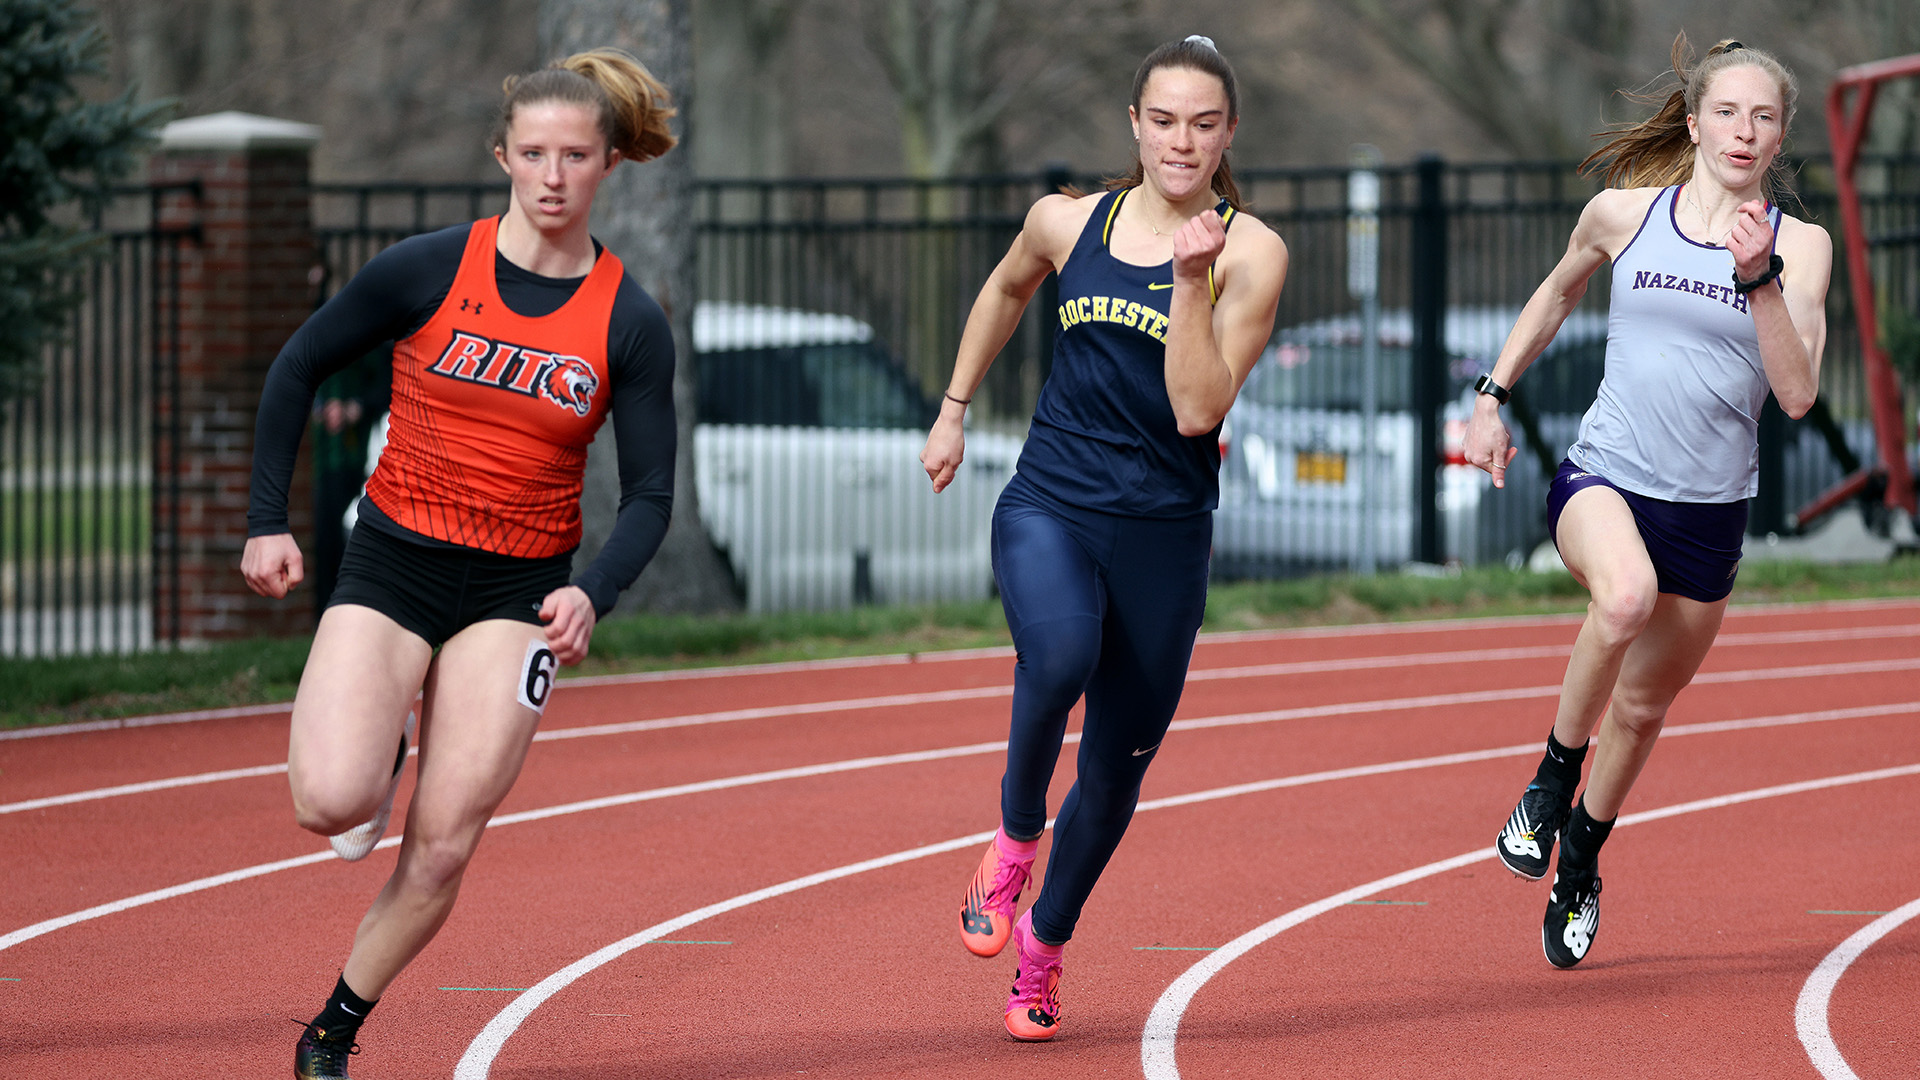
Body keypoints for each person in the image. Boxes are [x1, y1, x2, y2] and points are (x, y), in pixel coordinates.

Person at [241, 48, 679, 1079]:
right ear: (503, 157)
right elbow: (300, 365)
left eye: (576, 155)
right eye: (534, 153)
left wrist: (593, 592)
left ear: (609, 163)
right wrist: (267, 520)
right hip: (395, 561)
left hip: (516, 593)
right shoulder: (431, 267)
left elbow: (655, 492)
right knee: (329, 804)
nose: (554, 174)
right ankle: (380, 749)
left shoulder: (628, 318)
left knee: (444, 844)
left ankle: (334, 1029)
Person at [921, 35, 1287, 1040]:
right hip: (1053, 500)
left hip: (1165, 534)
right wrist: (954, 406)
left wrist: (1189, 284)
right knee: (1058, 655)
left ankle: (1044, 948)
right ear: (1134, 124)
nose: (1182, 141)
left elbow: (1197, 411)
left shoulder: (1250, 251)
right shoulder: (1065, 220)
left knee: (1120, 765)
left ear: (1228, 135)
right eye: (1163, 121)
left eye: (1203, 124)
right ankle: (1011, 836)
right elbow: (1004, 288)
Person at [1469, 34, 1829, 969]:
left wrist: (1760, 281)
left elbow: (1795, 392)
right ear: (1696, 119)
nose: (1743, 132)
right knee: (1621, 598)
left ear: (1781, 133)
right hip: (1606, 475)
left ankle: (1581, 858)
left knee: (1639, 712)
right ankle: (1550, 782)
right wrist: (1492, 397)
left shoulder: (1802, 247)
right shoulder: (1625, 214)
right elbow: (1553, 296)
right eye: (1726, 112)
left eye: (1763, 117)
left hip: (1708, 511)